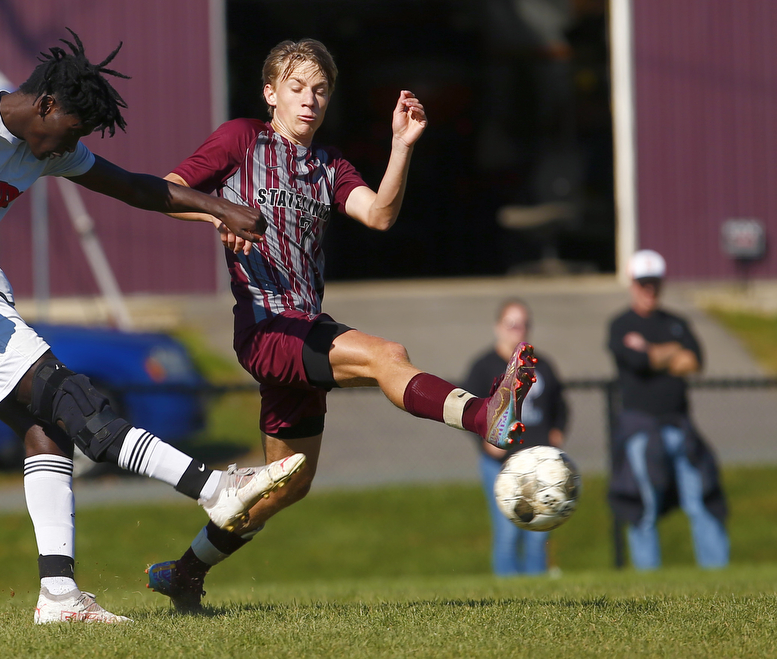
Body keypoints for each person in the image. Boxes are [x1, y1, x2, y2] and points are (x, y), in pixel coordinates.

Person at [0, 29, 305, 624]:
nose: (70, 147)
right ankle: (211, 487)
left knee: (47, 430)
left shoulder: (45, 144)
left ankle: (58, 596)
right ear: (47, 104)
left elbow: (131, 187)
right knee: (73, 398)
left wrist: (216, 207)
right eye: (73, 131)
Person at [145, 38, 536, 612]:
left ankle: (183, 573)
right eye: (298, 88)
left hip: (304, 329)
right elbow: (165, 190)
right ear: (270, 93)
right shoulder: (240, 139)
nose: (310, 100)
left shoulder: (328, 164)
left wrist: (401, 147)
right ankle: (485, 415)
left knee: (289, 480)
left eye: (321, 90)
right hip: (266, 328)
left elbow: (378, 214)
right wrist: (218, 211)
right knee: (386, 354)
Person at [607, 249, 728, 570]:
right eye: (643, 284)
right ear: (632, 284)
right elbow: (638, 361)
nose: (650, 290)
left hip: (679, 425)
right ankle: (648, 577)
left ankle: (716, 573)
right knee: (643, 505)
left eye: (655, 283)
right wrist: (665, 354)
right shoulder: (621, 324)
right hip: (641, 429)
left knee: (701, 498)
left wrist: (653, 352)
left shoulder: (676, 322)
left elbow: (694, 361)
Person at [463, 299, 568, 576]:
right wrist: (485, 442)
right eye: (511, 325)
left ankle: (537, 592)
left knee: (538, 531)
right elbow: (467, 410)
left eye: (523, 325)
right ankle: (507, 596)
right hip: (501, 464)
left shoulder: (541, 364)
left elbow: (560, 405)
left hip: (538, 463)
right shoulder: (484, 366)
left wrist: (557, 432)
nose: (517, 331)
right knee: (508, 530)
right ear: (498, 327)